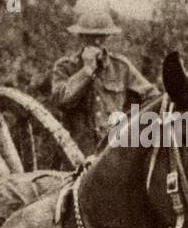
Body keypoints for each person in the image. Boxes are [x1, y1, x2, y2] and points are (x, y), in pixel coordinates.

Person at [51, 8, 157, 156]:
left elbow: (152, 96)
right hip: (77, 154)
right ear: (80, 37)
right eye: (90, 37)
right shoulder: (65, 66)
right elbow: (60, 100)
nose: (96, 41)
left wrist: (134, 127)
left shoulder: (121, 66)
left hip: (113, 153)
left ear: (107, 37)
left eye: (101, 36)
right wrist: (87, 71)